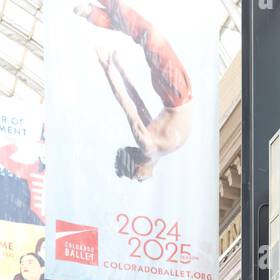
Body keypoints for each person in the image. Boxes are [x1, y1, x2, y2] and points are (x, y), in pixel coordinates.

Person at [75, 2, 194, 182]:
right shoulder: (154, 147)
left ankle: (94, 14)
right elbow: (137, 102)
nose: (140, 180)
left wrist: (109, 70)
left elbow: (128, 105)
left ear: (137, 168)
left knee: (147, 34)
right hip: (174, 93)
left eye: (136, 177)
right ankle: (92, 14)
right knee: (145, 35)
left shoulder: (147, 144)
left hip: (175, 92)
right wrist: (120, 70)